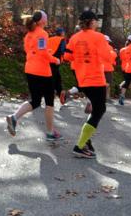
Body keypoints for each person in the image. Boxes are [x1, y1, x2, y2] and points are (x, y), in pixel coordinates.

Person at [63, 9, 115, 159]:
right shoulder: (99, 37)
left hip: (82, 78)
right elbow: (107, 56)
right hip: (96, 78)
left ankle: (87, 141)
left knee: (94, 110)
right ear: (92, 22)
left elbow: (67, 56)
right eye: (96, 20)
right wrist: (112, 53)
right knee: (99, 110)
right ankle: (79, 146)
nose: (97, 23)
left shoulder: (74, 38)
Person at [5, 10, 61, 142]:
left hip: (30, 69)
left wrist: (46, 52)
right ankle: (50, 133)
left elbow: (31, 51)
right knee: (49, 101)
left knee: (35, 101)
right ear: (42, 20)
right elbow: (42, 53)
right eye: (45, 17)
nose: (47, 19)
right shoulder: (42, 33)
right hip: (42, 71)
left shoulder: (28, 35)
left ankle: (14, 117)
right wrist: (55, 59)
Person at [46, 27, 67, 105]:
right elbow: (63, 51)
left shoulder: (50, 39)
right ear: (62, 33)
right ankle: (51, 97)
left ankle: (60, 96)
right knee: (55, 80)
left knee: (56, 78)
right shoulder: (62, 40)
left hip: (48, 60)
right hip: (56, 61)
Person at [103, 36, 117, 101]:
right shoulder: (110, 47)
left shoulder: (97, 47)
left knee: (100, 82)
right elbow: (111, 58)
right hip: (108, 68)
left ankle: (105, 96)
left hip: (99, 68)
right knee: (108, 83)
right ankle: (107, 96)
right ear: (107, 41)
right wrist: (115, 53)